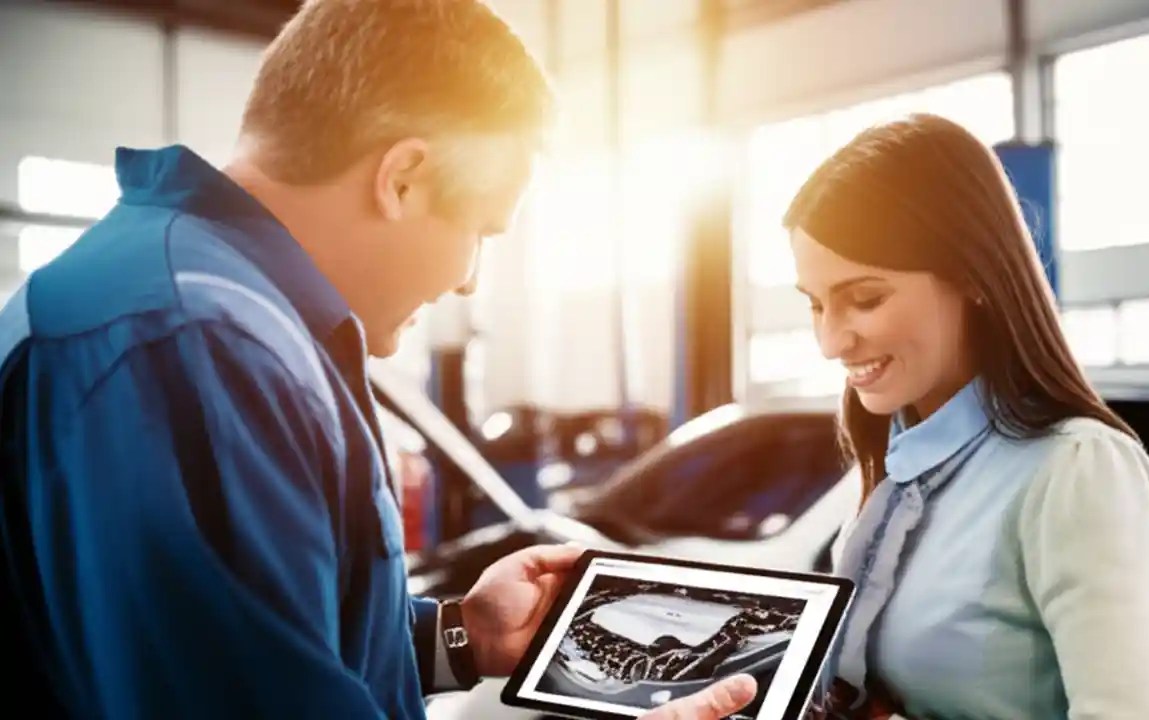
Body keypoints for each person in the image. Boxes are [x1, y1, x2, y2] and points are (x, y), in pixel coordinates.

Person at [0, 1, 755, 718]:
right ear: (403, 178)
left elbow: (270, 650)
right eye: (482, 231)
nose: (468, 279)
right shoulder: (201, 342)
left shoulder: (197, 304)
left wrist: (463, 638)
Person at [784, 114, 1149, 719]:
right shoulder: (891, 478)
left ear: (972, 276)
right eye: (816, 305)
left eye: (865, 299)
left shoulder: (1076, 471)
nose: (830, 341)